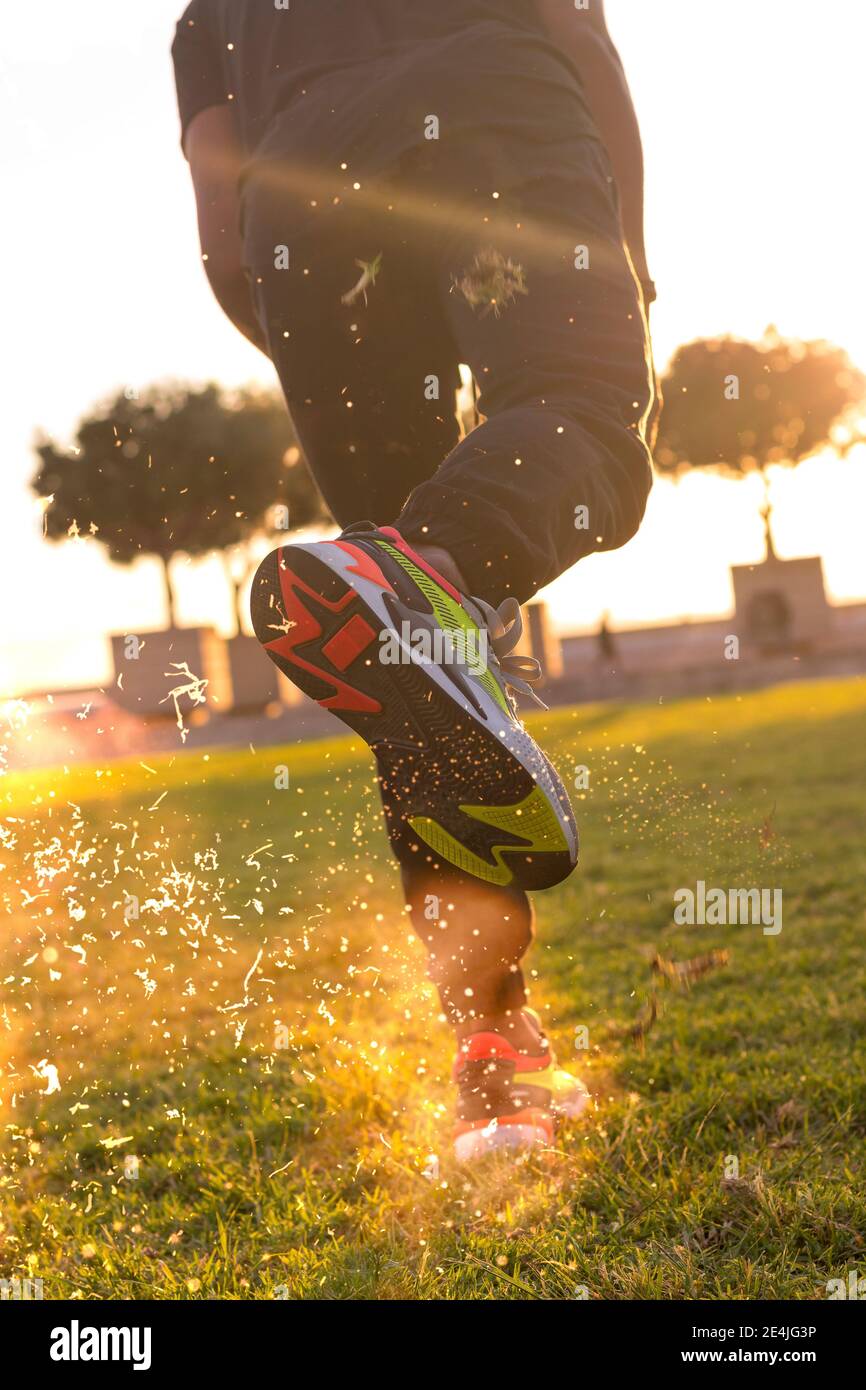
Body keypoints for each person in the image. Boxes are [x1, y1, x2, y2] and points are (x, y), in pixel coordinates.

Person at [172, 0, 658, 1160]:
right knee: (586, 416)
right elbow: (579, 45)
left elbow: (222, 232)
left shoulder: (209, 13)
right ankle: (425, 564)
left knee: (412, 657)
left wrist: (310, 318)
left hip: (295, 193)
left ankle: (491, 1060)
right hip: (497, 109)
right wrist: (619, 264)